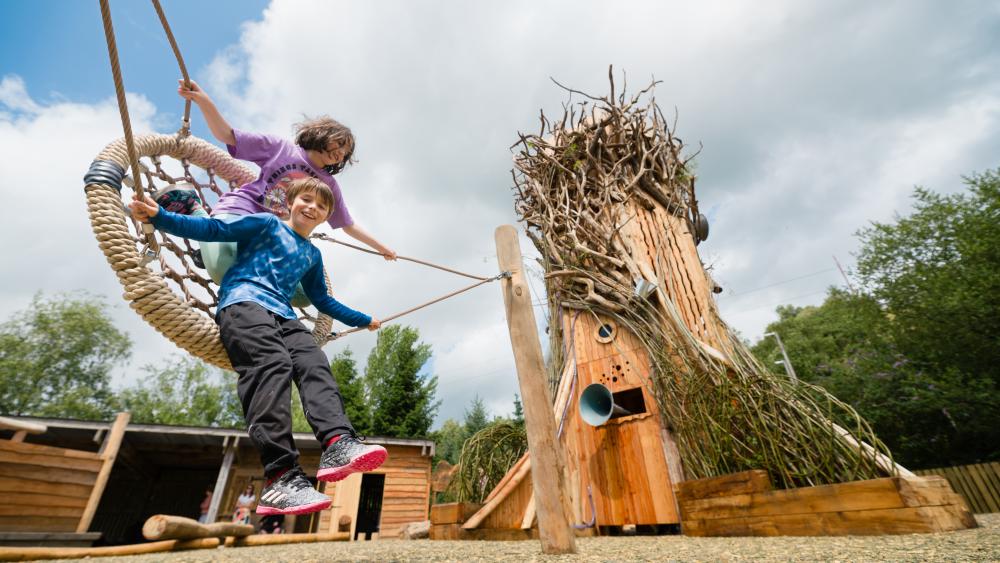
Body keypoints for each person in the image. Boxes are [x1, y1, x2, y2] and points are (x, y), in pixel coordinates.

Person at [129, 177, 388, 516]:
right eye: (306, 199)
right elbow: (215, 230)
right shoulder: (267, 223)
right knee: (272, 365)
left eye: (321, 206)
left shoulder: (312, 254)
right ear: (291, 202)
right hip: (243, 303)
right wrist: (161, 219)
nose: (312, 207)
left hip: (283, 313)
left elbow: (322, 299)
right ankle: (281, 476)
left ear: (326, 217)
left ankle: (338, 442)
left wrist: (362, 319)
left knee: (313, 361)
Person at [164, 79, 396, 305]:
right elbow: (227, 134)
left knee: (305, 296)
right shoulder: (281, 148)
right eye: (340, 145)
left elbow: (347, 224)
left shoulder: (328, 185)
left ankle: (213, 253)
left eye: (346, 153)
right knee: (221, 271)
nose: (341, 154)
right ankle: (194, 208)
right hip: (239, 213)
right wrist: (203, 100)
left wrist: (382, 248)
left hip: (267, 236)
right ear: (323, 134)